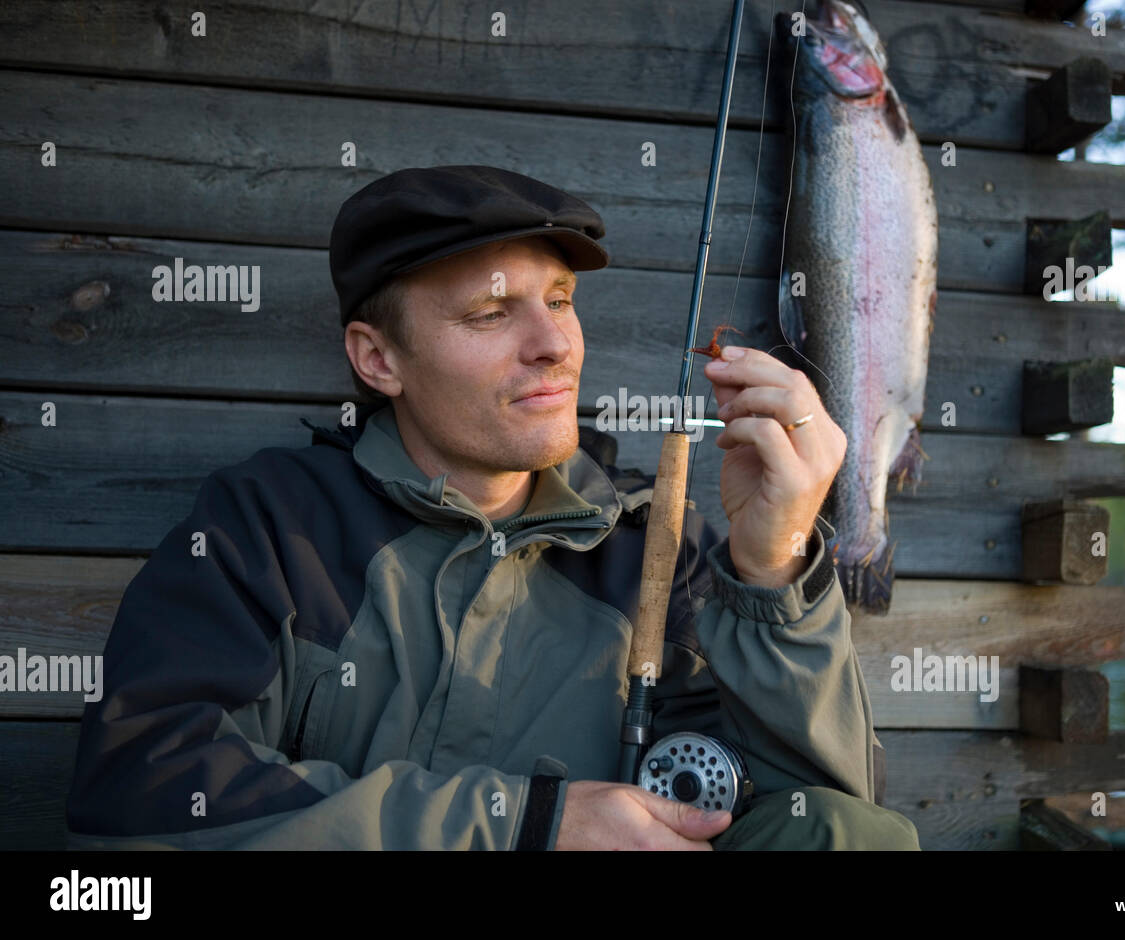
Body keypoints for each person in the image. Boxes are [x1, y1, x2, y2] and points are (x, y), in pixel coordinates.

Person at [65, 165, 920, 851]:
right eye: (490, 312)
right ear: (378, 359)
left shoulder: (669, 553)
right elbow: (144, 792)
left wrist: (771, 571)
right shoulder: (270, 527)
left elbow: (817, 818)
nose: (553, 344)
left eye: (558, 301)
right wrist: (526, 825)